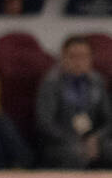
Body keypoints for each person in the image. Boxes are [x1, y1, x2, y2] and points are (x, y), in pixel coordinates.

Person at [35, 36, 112, 169]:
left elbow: (108, 119)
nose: (79, 62)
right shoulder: (51, 83)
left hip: (93, 138)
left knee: (107, 149)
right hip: (61, 141)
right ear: (63, 58)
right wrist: (75, 140)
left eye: (84, 57)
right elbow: (45, 123)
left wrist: (95, 138)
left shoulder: (97, 81)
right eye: (73, 56)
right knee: (76, 153)